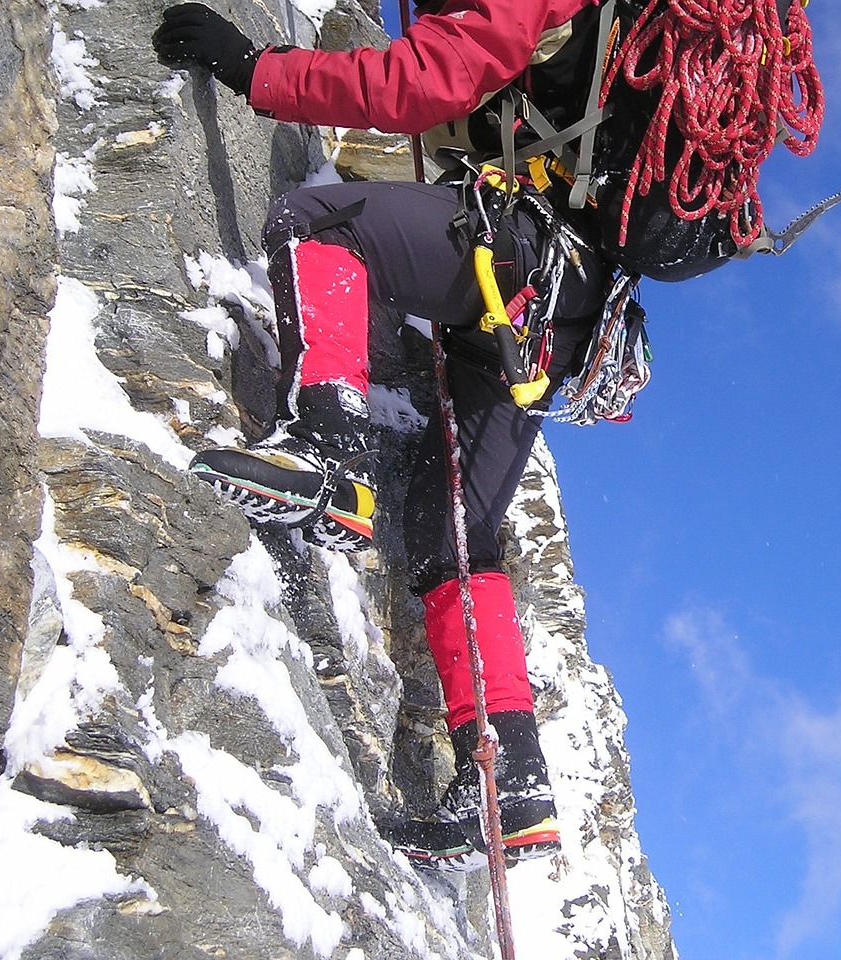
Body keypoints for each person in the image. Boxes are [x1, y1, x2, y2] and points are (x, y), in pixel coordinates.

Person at [152, 0, 618, 867]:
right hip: (563, 311)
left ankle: (329, 449)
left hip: (517, 254)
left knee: (320, 224)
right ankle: (507, 777)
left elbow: (420, 81)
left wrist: (259, 72)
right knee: (457, 534)